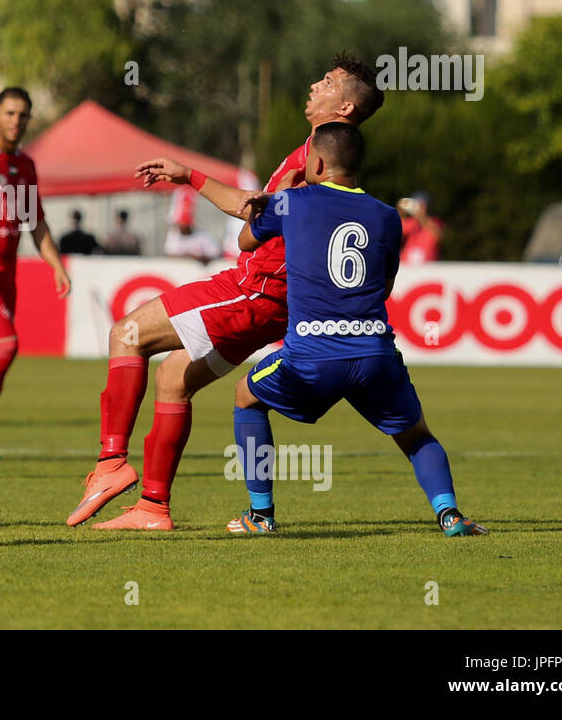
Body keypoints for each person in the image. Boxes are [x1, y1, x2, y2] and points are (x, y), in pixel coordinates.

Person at [67, 54, 383, 530]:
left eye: (330, 82)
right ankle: (153, 508)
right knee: (174, 380)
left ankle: (111, 463)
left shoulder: (315, 159)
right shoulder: (318, 154)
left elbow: (245, 213)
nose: (316, 84)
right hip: (272, 304)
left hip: (253, 291)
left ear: (345, 110)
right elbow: (259, 219)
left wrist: (188, 176)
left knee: (127, 333)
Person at [229, 123, 486, 537]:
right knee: (416, 434)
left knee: (246, 397)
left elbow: (245, 242)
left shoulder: (291, 202)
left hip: (311, 356)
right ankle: (450, 514)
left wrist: (267, 204)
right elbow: (383, 287)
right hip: (374, 354)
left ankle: (260, 515)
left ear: (317, 161)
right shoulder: (387, 217)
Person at [0, 87, 72, 463]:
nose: (15, 121)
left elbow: (34, 221)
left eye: (22, 115)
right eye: (9, 113)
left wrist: (56, 265)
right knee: (4, 348)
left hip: (8, 277)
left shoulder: (25, 165)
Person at [163, 188, 220, 262]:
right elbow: (170, 255)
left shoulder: (204, 236)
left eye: (182, 224)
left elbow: (214, 254)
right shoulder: (173, 235)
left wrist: (194, 258)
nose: (180, 227)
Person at [398, 192, 443, 264]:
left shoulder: (435, 222)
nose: (417, 208)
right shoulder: (412, 222)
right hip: (407, 267)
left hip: (427, 269)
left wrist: (421, 216)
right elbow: (395, 230)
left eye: (421, 205)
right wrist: (401, 211)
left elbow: (438, 235)